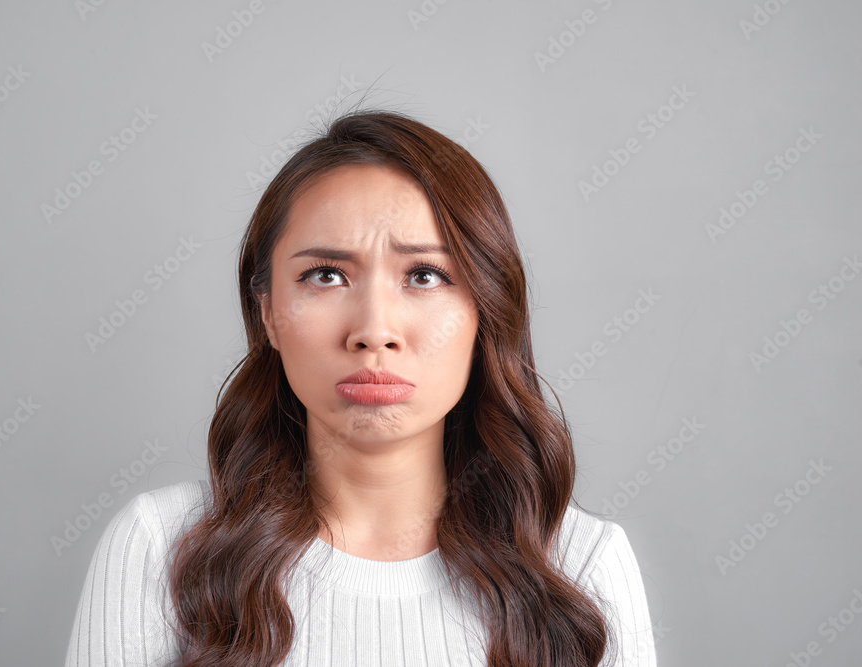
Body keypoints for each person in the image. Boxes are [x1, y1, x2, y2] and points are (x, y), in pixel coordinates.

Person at [64, 109, 658, 666]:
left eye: (424, 276)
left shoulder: (580, 569)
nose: (374, 331)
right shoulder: (161, 549)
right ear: (267, 310)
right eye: (326, 275)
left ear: (486, 311)